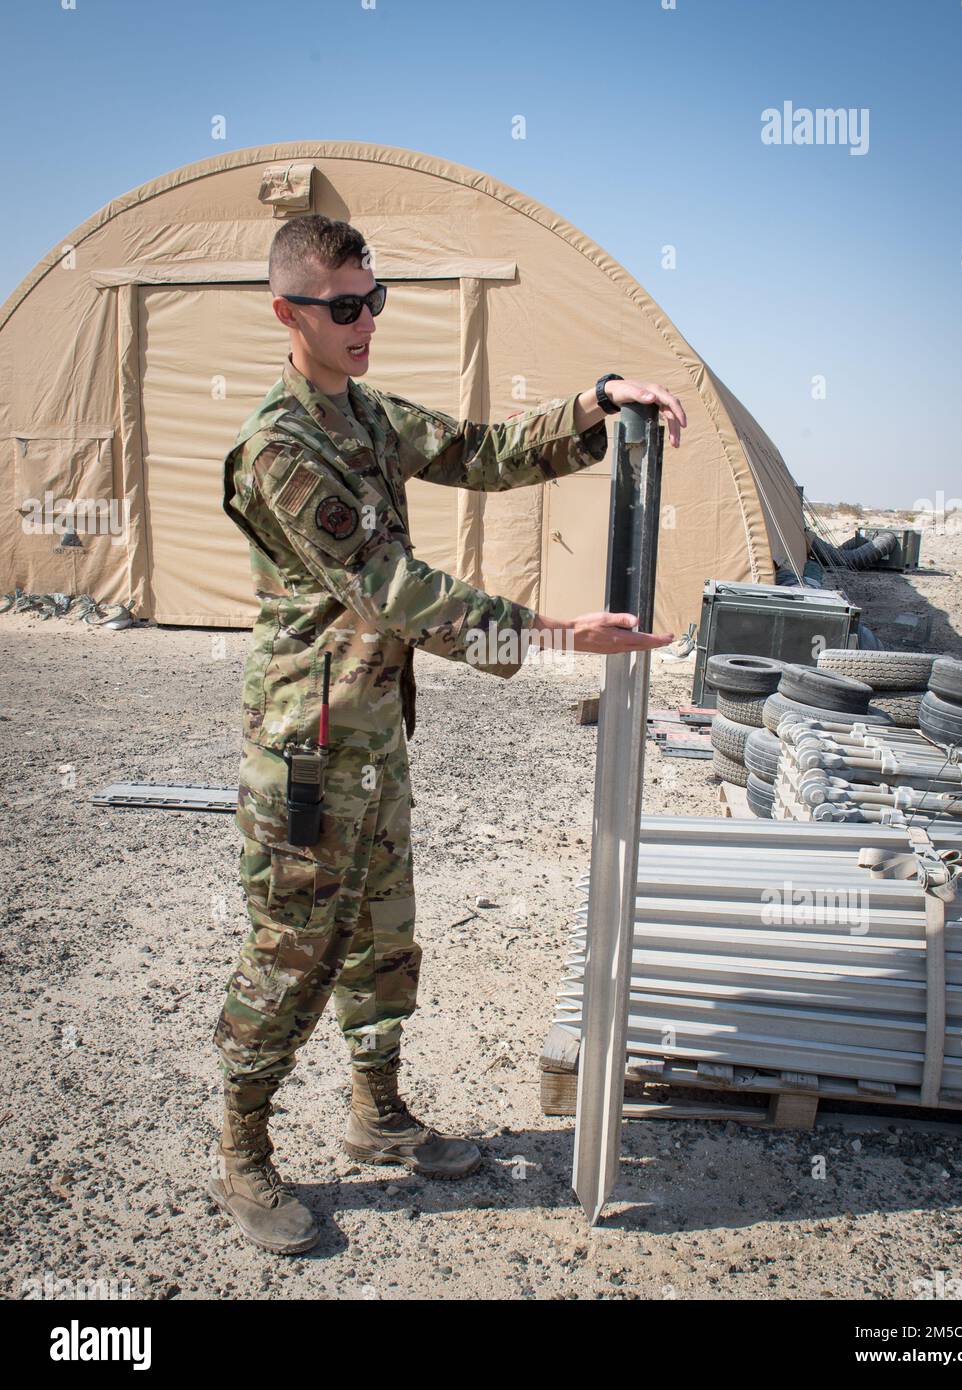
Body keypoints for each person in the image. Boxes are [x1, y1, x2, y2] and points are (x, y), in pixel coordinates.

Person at [210, 213, 686, 1254]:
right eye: (342, 307)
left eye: (372, 299)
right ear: (287, 311)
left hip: (371, 734)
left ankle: (376, 1112)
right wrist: (560, 639)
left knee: (382, 937)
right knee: (293, 954)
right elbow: (393, 591)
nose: (363, 321)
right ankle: (243, 1153)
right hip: (308, 747)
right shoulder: (281, 450)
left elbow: (481, 450)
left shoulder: (366, 417)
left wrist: (598, 400)